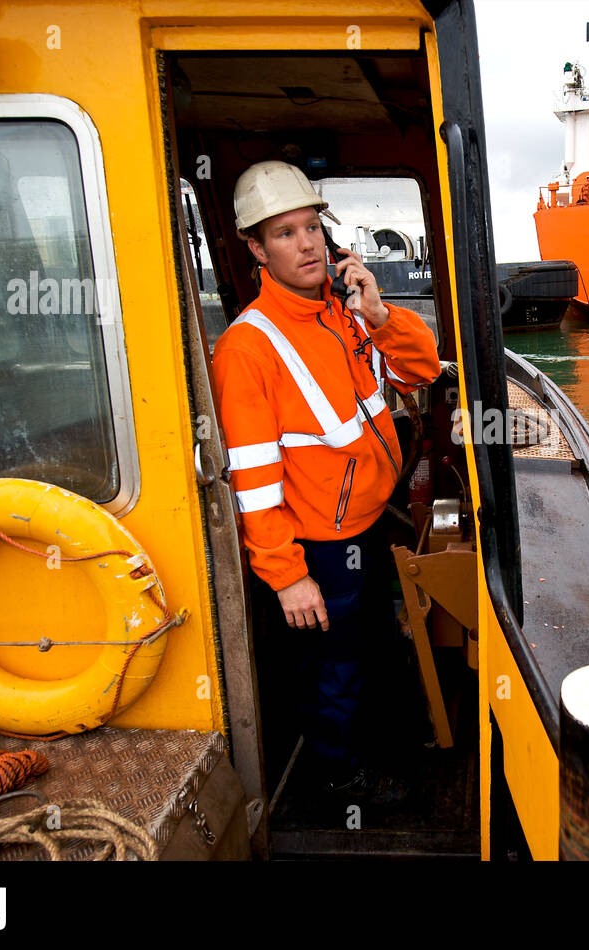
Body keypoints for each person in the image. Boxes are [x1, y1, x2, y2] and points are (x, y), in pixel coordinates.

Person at [211, 161, 441, 805]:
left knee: (371, 647)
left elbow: (419, 373)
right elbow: (254, 480)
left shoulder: (344, 316)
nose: (306, 244)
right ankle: (339, 780)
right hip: (316, 546)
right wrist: (287, 576)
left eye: (312, 227)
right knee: (333, 670)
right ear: (256, 249)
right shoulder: (247, 349)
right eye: (284, 233)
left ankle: (387, 744)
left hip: (368, 525)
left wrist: (379, 311)